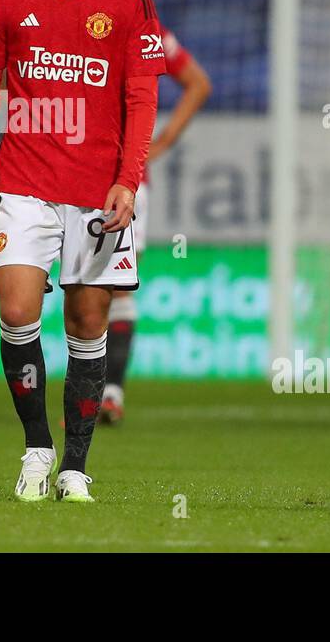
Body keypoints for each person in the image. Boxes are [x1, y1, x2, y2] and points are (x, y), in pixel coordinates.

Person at [0, 0, 166, 502]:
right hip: (24, 186)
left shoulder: (130, 2)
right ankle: (36, 449)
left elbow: (142, 98)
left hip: (99, 191)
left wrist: (129, 182)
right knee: (18, 312)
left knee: (84, 323)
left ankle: (75, 465)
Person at [101, 25, 211, 425]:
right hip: (69, 178)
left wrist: (160, 143)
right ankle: (91, 392)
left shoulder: (146, 34)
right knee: (81, 290)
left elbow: (198, 84)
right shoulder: (58, 27)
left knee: (117, 284)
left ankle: (110, 392)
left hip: (127, 183)